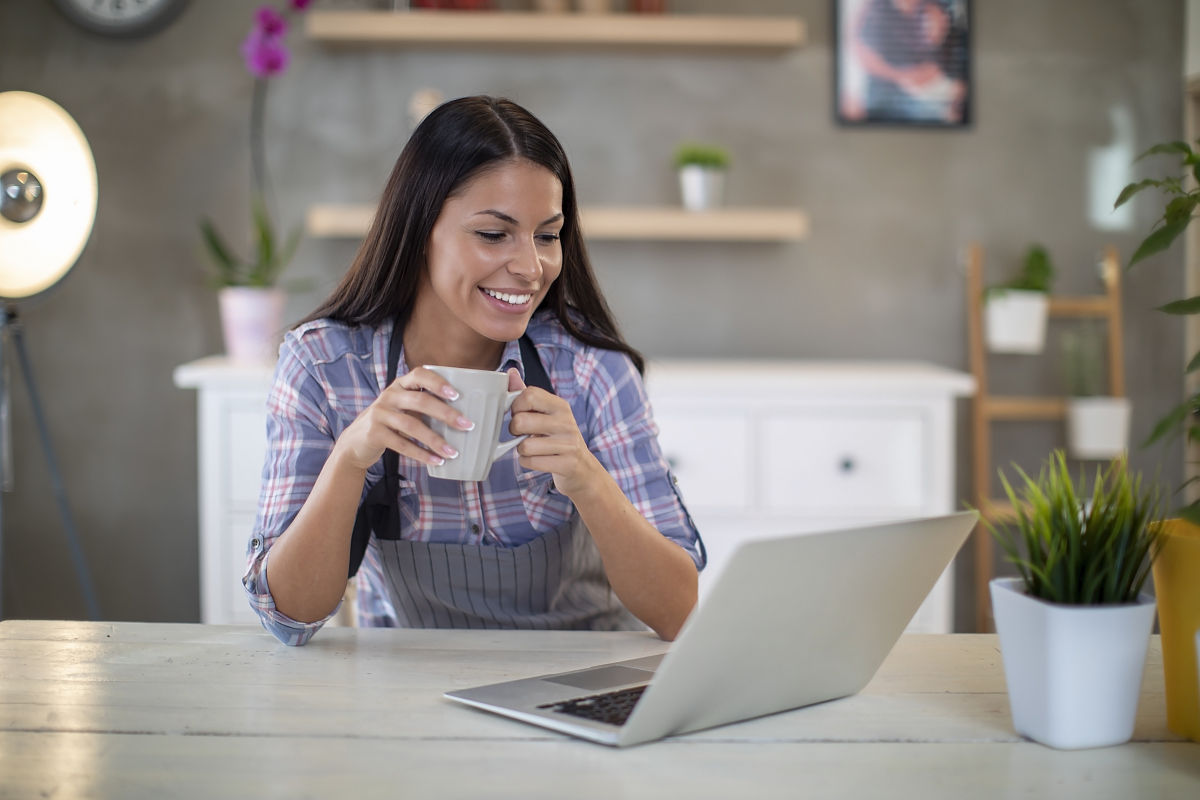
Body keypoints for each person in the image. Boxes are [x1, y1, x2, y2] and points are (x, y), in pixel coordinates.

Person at [244, 95, 705, 646]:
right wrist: (352, 455)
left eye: (547, 235)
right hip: (403, 683)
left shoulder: (590, 370)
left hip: (577, 674)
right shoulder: (325, 367)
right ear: (418, 230)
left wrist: (586, 477)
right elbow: (288, 618)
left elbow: (678, 611)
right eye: (493, 234)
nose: (532, 268)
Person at [849, 0, 967, 124]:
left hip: (934, 91)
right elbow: (856, 45)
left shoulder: (941, 10)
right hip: (886, 93)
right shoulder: (873, 9)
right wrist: (902, 76)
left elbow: (958, 59)